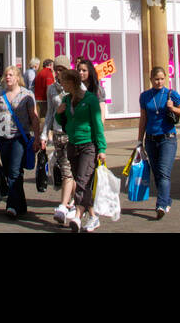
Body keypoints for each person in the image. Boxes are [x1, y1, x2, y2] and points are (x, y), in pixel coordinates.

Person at [55, 67, 106, 232]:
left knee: (83, 182)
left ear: (72, 82)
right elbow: (62, 121)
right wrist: (58, 113)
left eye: (63, 82)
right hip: (72, 144)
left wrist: (102, 148)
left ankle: (77, 216)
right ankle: (93, 216)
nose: (61, 85)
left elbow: (97, 124)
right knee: (81, 181)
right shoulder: (67, 99)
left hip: (88, 145)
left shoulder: (90, 99)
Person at [0, 65, 39, 220]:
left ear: (18, 77)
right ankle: (21, 204)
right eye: (6, 75)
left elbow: (34, 118)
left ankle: (11, 205)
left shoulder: (27, 94)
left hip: (19, 137)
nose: (8, 77)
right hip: (3, 138)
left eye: (11, 75)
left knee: (14, 172)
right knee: (9, 172)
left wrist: (37, 137)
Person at [137, 67, 180, 218]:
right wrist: (139, 140)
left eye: (162, 79)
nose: (159, 82)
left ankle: (161, 205)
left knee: (164, 172)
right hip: (151, 139)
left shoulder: (171, 94)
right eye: (156, 79)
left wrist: (173, 108)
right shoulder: (145, 96)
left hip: (168, 138)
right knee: (157, 173)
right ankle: (166, 200)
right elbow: (143, 118)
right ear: (151, 79)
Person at [41, 56, 76, 224]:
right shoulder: (51, 89)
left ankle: (64, 206)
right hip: (57, 135)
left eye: (62, 70)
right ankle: (77, 201)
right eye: (56, 70)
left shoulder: (75, 88)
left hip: (72, 135)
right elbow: (49, 113)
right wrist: (43, 135)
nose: (58, 73)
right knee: (65, 171)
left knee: (68, 172)